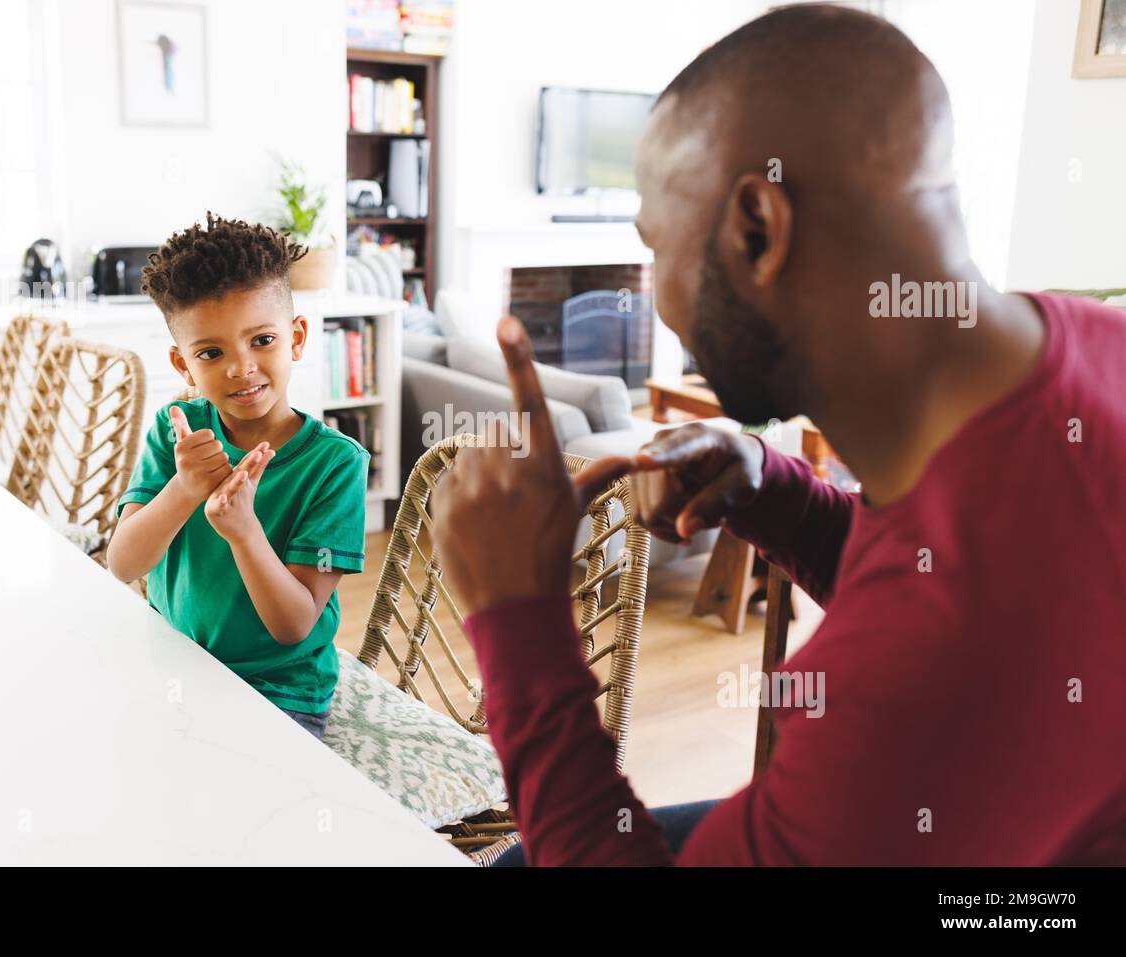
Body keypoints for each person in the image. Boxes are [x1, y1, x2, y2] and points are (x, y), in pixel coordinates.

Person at [430, 6, 1126, 864]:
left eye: (655, 243)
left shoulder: (914, 678)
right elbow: (929, 573)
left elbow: (950, 624)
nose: (657, 293)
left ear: (758, 227)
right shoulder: (1089, 349)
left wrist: (516, 616)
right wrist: (769, 483)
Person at [105, 213, 369, 739]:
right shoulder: (174, 433)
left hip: (277, 691)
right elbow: (124, 562)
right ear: (184, 365)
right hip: (175, 665)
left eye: (262, 341)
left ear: (295, 338)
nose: (241, 367)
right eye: (211, 352)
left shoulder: (335, 465)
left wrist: (245, 532)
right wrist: (183, 489)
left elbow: (293, 626)